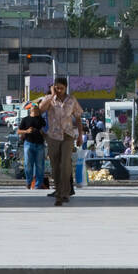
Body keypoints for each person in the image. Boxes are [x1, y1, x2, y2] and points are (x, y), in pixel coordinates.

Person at [36, 76, 83, 207]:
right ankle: (58, 190)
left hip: (68, 135)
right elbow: (40, 109)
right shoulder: (50, 100)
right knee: (55, 166)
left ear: (66, 88)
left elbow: (78, 118)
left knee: (66, 165)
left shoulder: (71, 100)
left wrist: (80, 136)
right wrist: (51, 95)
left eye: (61, 88)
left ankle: (64, 193)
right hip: (53, 136)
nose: (59, 90)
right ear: (53, 87)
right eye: (57, 88)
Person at [17, 104, 46, 189]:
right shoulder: (25, 119)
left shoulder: (41, 120)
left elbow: (46, 130)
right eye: (33, 108)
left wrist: (42, 132)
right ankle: (29, 182)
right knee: (28, 164)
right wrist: (26, 131)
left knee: (40, 165)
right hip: (29, 143)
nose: (35, 109)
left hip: (40, 144)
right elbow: (18, 131)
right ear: (30, 110)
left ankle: (38, 184)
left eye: (36, 108)